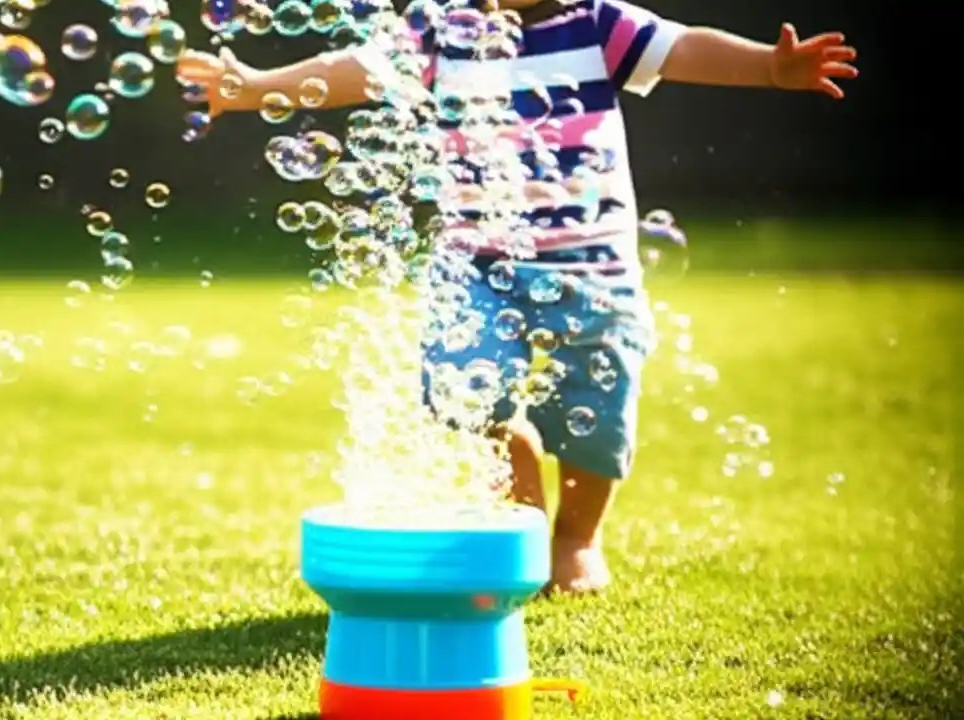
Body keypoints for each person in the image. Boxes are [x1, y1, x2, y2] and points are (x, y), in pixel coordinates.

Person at [177, 0, 857, 594]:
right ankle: (524, 508)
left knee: (598, 416)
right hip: (474, 262)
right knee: (458, 387)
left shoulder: (599, 24)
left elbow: (682, 46)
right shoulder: (441, 30)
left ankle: (577, 540)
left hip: (593, 270)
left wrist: (769, 66)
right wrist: (254, 85)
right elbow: (349, 70)